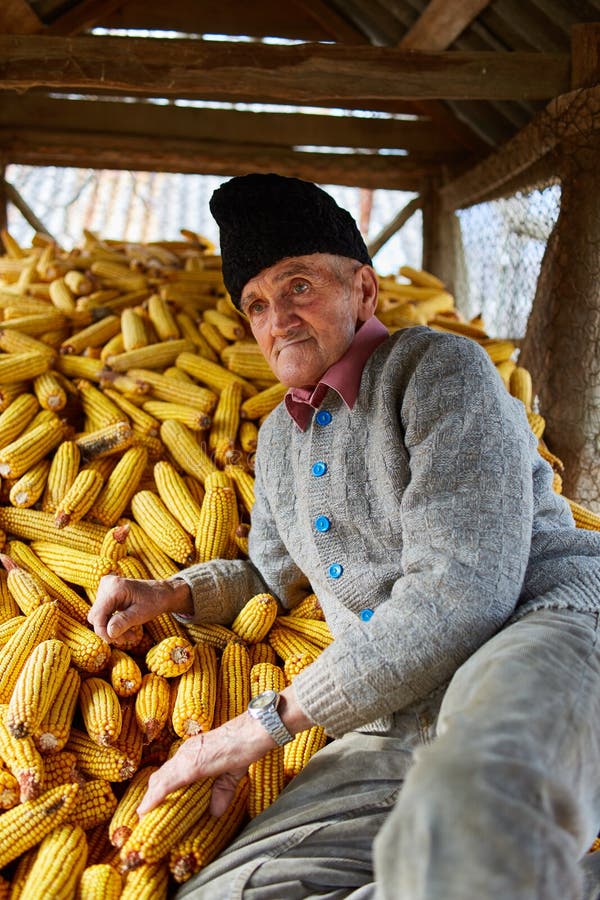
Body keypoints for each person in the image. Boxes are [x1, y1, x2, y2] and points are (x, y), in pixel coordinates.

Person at [88, 173, 600, 899]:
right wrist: (170, 593)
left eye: (298, 287)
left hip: (538, 634)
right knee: (232, 890)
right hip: (398, 711)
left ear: (363, 291)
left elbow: (464, 592)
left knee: (465, 838)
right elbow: (270, 581)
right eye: (257, 305)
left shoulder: (437, 370)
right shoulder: (276, 441)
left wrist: (263, 725)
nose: (278, 320)